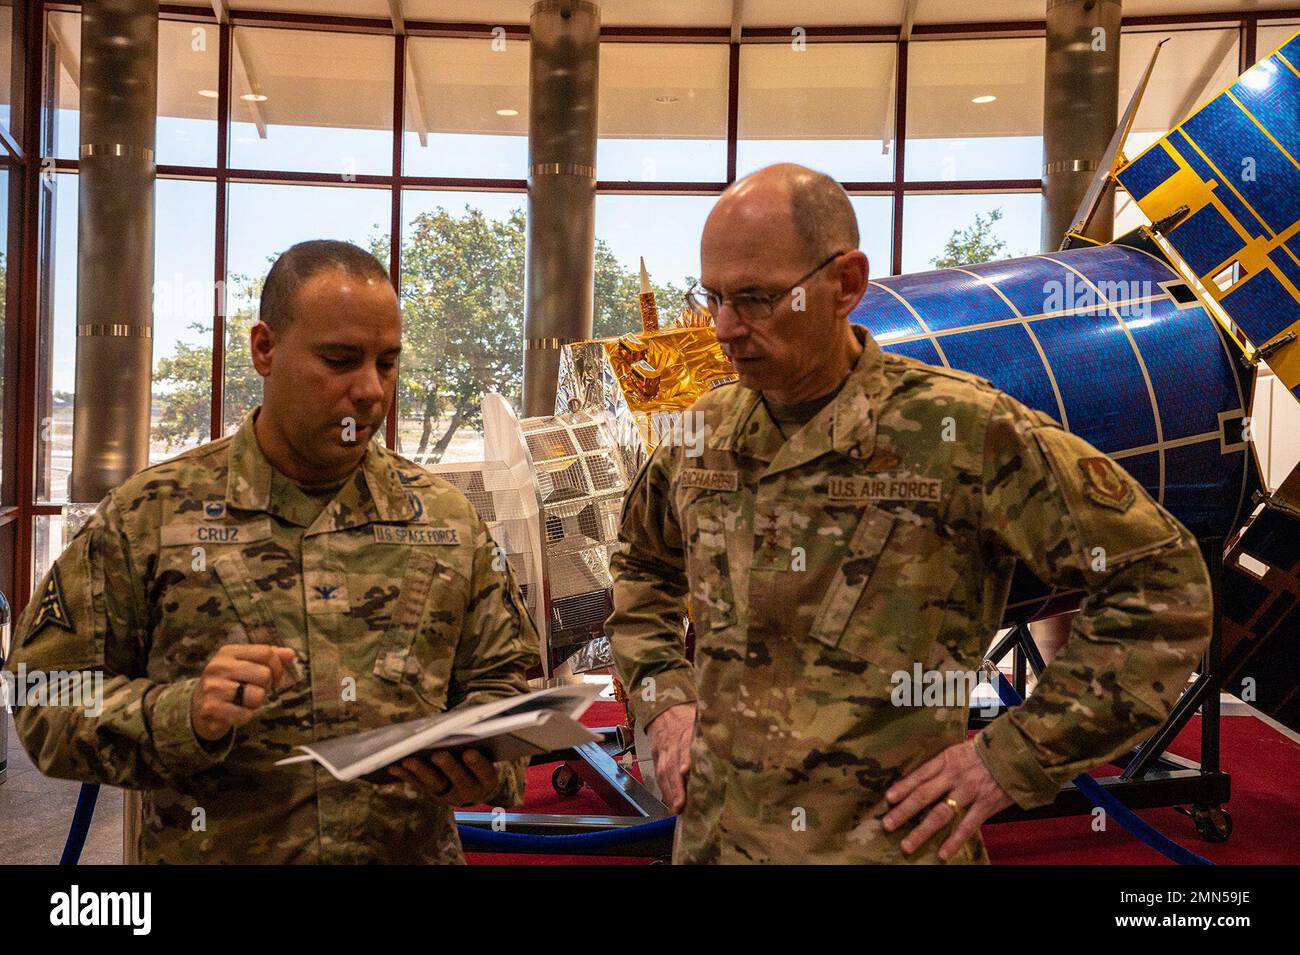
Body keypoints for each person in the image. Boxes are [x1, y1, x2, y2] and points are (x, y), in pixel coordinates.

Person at [606, 164, 1213, 864]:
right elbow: (642, 564)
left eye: (756, 299)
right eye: (711, 296)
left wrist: (1009, 758)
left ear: (846, 284)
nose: (722, 328)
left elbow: (1163, 582)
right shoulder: (703, 432)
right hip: (714, 842)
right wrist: (665, 699)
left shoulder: (960, 430)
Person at [5, 240, 539, 863]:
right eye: (340, 360)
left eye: (387, 363)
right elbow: (44, 696)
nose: (370, 390)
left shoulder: (447, 523)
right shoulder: (148, 518)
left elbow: (504, 687)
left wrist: (484, 764)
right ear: (264, 348)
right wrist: (180, 713)